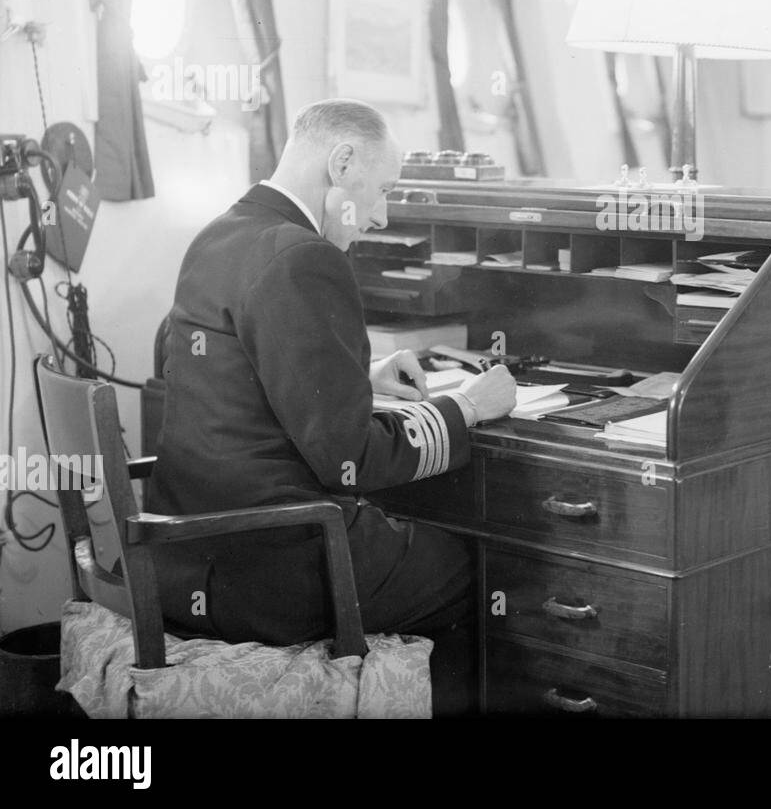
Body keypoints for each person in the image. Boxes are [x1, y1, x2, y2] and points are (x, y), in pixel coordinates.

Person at [148, 99, 514, 691]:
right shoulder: (304, 256)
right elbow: (351, 461)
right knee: (477, 573)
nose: (381, 218)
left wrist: (353, 377)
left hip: (190, 554)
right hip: (276, 568)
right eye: (383, 190)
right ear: (342, 162)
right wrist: (466, 407)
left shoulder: (219, 235)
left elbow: (216, 373)